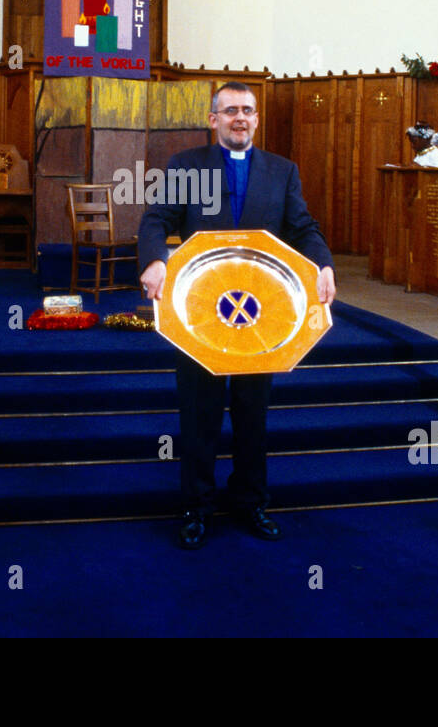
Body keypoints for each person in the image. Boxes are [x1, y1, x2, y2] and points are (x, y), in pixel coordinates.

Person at [139, 82, 335, 550]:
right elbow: (157, 219)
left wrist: (324, 262)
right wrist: (153, 259)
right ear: (214, 120)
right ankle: (196, 506)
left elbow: (303, 227)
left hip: (261, 318)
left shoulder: (282, 171)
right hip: (198, 314)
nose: (240, 118)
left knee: (253, 415)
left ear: (257, 119)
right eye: (230, 111)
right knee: (199, 414)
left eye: (247, 110)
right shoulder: (188, 165)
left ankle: (250, 501)